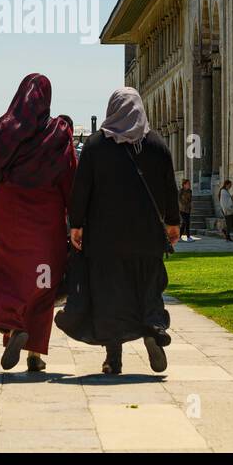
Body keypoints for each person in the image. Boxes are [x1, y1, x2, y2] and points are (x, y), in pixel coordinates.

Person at [60, 88, 179, 375]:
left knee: (110, 296)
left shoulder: (96, 145)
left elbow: (82, 190)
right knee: (148, 287)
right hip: (146, 237)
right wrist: (173, 223)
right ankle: (152, 329)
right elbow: (169, 189)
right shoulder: (157, 144)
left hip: (105, 239)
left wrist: (76, 225)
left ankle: (114, 358)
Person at [0, 73, 76, 373]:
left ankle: (13, 328)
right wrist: (76, 218)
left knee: (6, 274)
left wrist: (1, 180)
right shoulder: (58, 133)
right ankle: (35, 353)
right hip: (46, 217)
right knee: (43, 282)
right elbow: (70, 176)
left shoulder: (7, 127)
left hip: (9, 213)